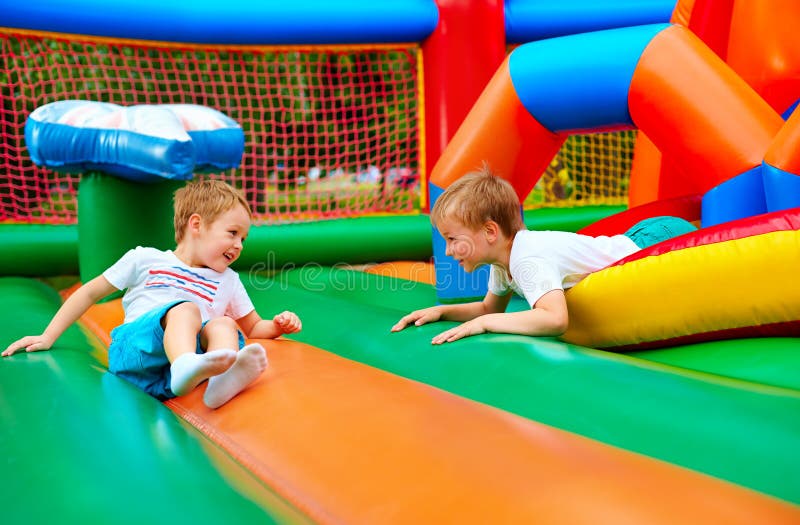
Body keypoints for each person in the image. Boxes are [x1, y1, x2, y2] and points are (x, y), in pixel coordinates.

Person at [3, 179, 301, 408]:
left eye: (244, 239)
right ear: (196, 224)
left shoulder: (229, 281)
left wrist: (278, 325)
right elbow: (90, 292)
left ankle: (219, 381)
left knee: (225, 324)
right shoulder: (146, 258)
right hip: (137, 356)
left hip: (176, 380)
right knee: (185, 309)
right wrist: (47, 336)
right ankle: (186, 363)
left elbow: (253, 326)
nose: (239, 246)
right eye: (232, 233)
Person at [391, 165, 696, 344]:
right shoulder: (502, 262)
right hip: (636, 236)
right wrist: (442, 312)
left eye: (453, 238)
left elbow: (555, 319)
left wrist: (486, 325)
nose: (447, 250)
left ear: (489, 232)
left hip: (657, 241)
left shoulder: (527, 259)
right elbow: (487, 308)